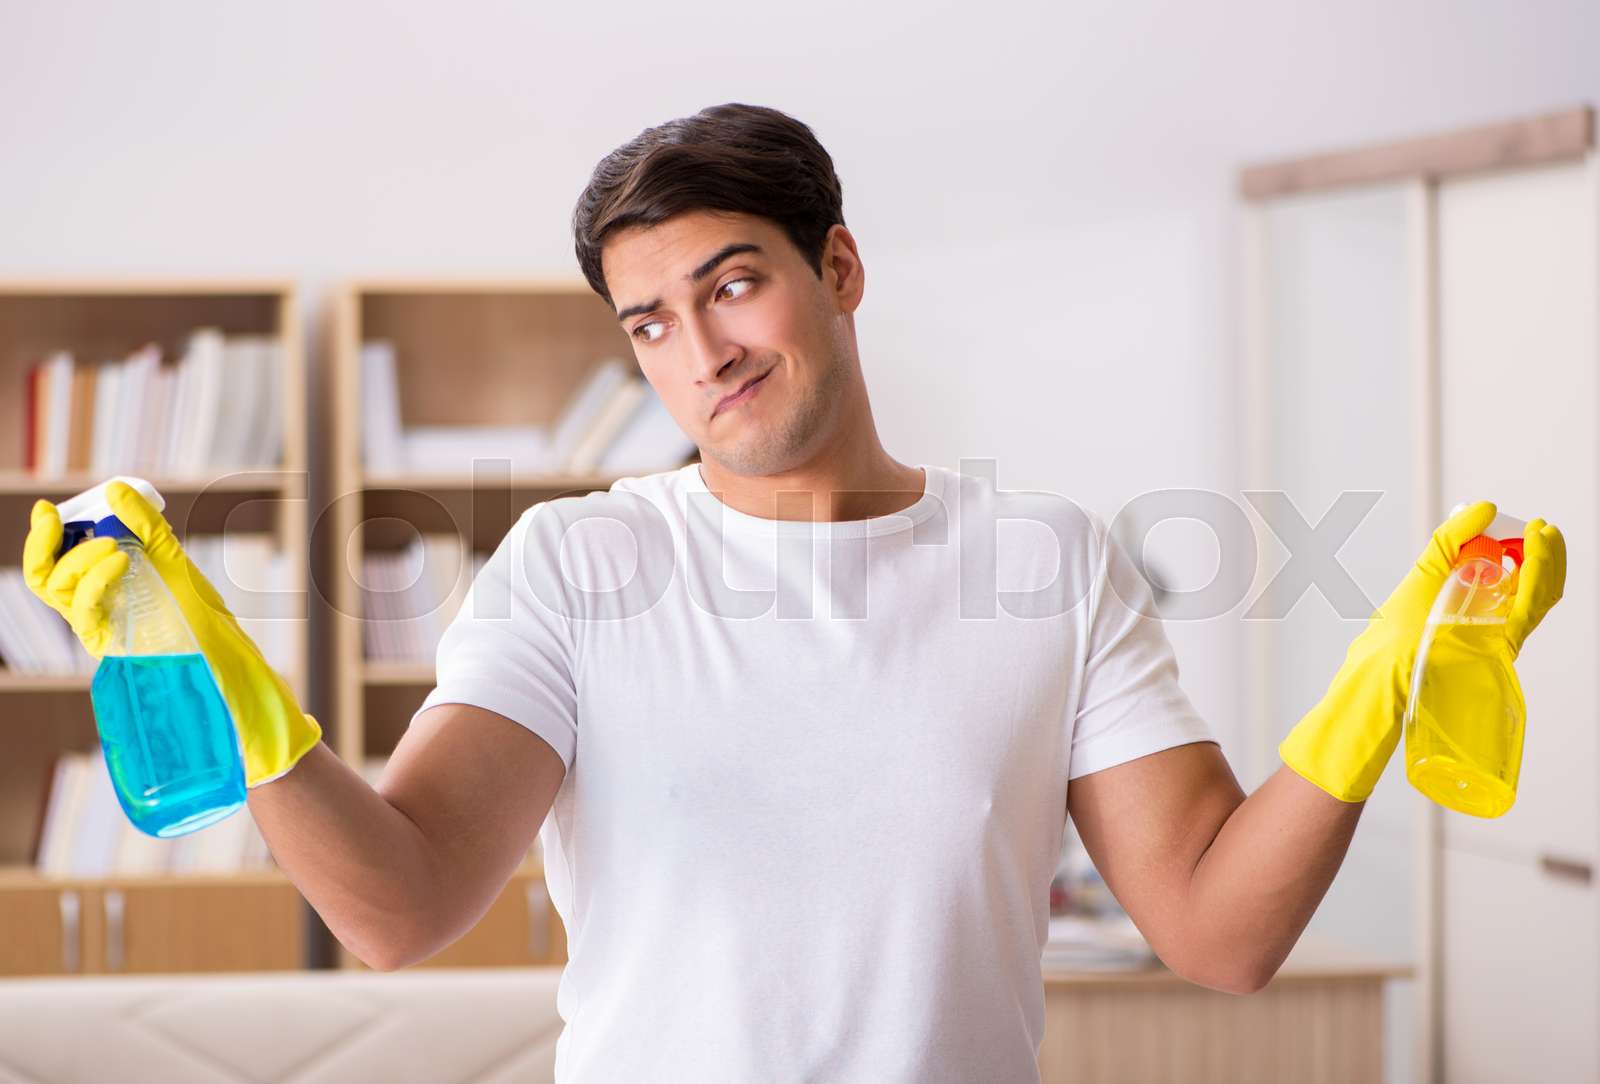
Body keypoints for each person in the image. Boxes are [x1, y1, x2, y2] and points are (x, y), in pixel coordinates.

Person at [22, 103, 1566, 1083]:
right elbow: (401, 907)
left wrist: (1379, 699)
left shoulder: (1045, 563)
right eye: (649, 324)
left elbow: (1220, 934)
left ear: (839, 268)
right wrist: (232, 692)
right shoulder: (579, 565)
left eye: (734, 282)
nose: (702, 352)